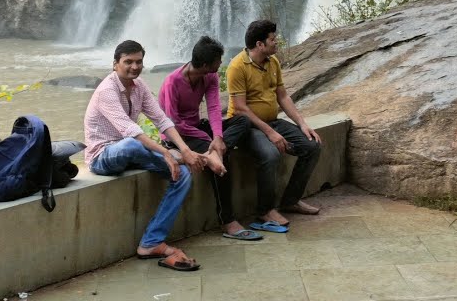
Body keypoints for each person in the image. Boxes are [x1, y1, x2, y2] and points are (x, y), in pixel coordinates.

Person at [84, 40, 203, 271]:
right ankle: (174, 157)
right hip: (103, 157)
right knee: (132, 144)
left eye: (138, 62)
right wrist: (168, 152)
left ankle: (151, 242)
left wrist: (185, 150)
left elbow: (161, 119)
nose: (134, 67)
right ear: (115, 64)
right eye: (128, 62)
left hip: (132, 151)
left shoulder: (139, 86)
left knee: (184, 175)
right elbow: (131, 131)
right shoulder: (106, 91)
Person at [157, 35, 261, 242]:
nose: (221, 63)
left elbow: (214, 107)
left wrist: (218, 137)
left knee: (242, 121)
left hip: (197, 128)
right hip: (177, 136)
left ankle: (215, 153)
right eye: (218, 61)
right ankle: (228, 220)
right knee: (222, 156)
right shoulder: (172, 83)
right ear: (205, 64)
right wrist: (208, 137)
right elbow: (173, 124)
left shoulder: (210, 76)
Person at [227, 20, 322, 233]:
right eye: (272, 39)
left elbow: (283, 96)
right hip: (247, 127)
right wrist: (270, 133)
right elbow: (241, 109)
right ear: (260, 44)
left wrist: (303, 124)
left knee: (312, 145)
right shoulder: (236, 67)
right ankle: (265, 210)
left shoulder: (273, 62)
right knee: (270, 154)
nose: (276, 42)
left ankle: (290, 200)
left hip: (272, 121)